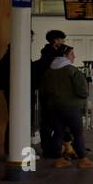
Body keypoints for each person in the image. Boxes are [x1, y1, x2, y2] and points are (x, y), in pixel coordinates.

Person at [41, 45, 93, 168]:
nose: (74, 56)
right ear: (65, 56)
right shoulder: (72, 70)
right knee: (77, 133)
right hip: (72, 107)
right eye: (72, 54)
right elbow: (82, 91)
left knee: (58, 133)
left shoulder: (49, 71)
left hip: (54, 107)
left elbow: (44, 90)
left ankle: (59, 159)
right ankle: (83, 159)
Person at [33, 29, 67, 157]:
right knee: (49, 121)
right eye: (62, 39)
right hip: (49, 92)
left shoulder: (46, 53)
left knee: (48, 121)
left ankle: (51, 147)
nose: (63, 41)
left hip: (46, 90)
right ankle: (50, 149)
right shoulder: (51, 55)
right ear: (56, 40)